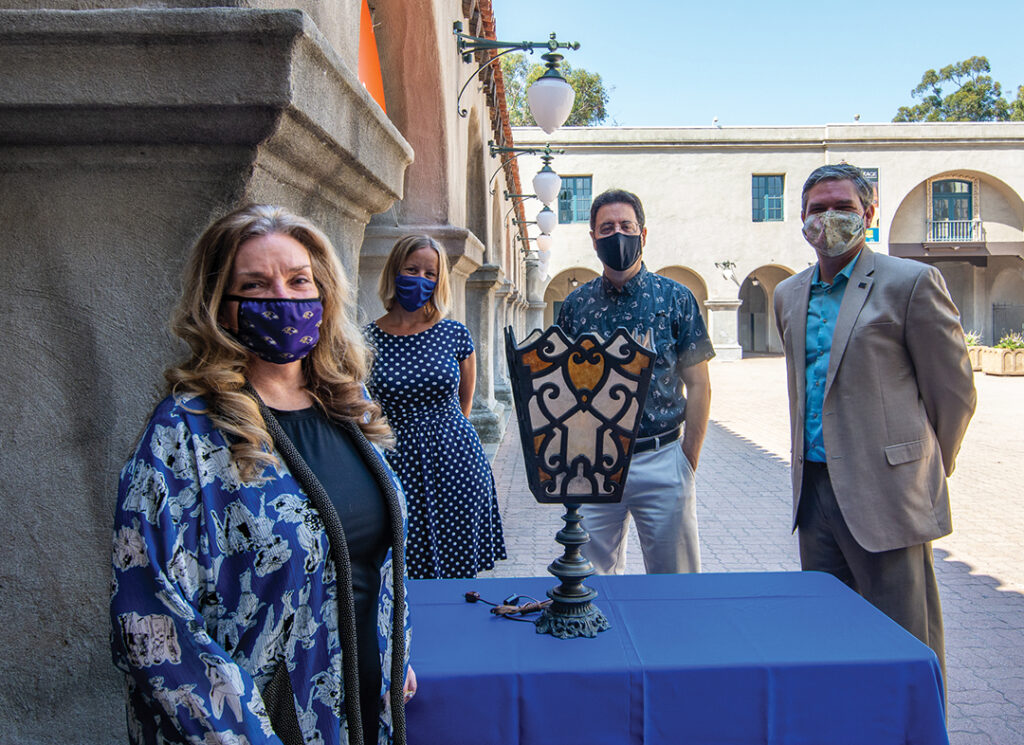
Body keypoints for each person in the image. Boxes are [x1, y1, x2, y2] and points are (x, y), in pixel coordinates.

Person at [110, 204, 415, 745]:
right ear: (221, 309)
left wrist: (396, 651)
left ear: (323, 293)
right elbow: (150, 616)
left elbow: (372, 558)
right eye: (255, 285)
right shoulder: (184, 431)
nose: (284, 299)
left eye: (299, 281)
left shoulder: (347, 404)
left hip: (364, 702)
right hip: (261, 728)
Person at [774, 164, 977, 679]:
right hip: (814, 492)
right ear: (802, 217)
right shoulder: (788, 295)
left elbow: (953, 392)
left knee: (905, 642)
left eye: (843, 206)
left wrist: (921, 466)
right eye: (818, 208)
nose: (829, 218)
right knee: (828, 641)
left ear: (868, 213)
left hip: (887, 493)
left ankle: (917, 723)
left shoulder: (910, 283)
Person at [556, 189, 715, 575]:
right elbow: (561, 388)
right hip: (594, 464)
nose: (617, 234)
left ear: (643, 234)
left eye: (626, 226)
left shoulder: (676, 299)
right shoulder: (576, 306)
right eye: (606, 228)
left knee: (675, 580)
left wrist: (687, 459)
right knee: (589, 582)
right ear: (593, 239)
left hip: (660, 457)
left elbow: (699, 384)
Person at [364, 235, 506, 579]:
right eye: (412, 270)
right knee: (402, 569)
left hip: (455, 462)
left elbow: (464, 403)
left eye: (431, 274)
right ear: (394, 271)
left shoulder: (454, 334)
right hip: (395, 462)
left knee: (458, 571)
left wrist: (442, 439)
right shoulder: (366, 339)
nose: (421, 279)